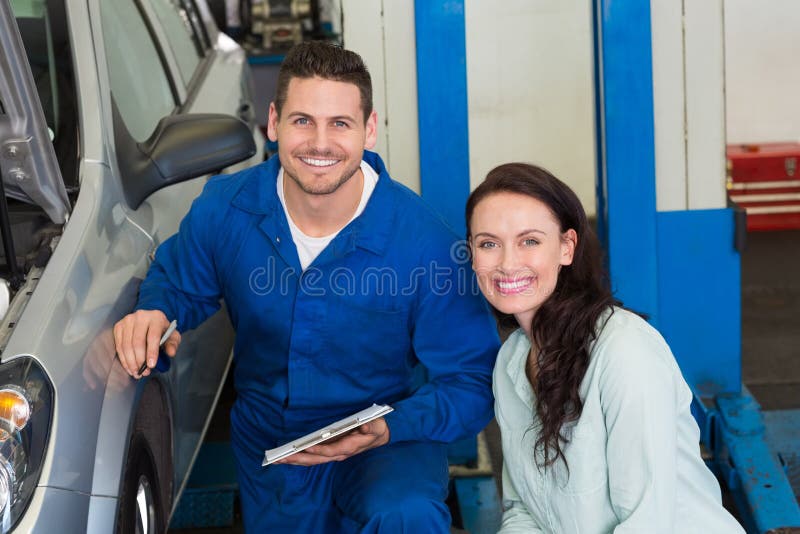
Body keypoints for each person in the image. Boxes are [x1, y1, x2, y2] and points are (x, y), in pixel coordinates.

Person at [113, 41, 500, 532]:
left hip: (385, 441)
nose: (320, 143)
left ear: (370, 129)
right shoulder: (226, 210)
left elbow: (471, 381)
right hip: (275, 447)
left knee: (404, 515)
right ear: (273, 123)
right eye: (302, 121)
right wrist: (155, 313)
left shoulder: (426, 245)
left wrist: (389, 427)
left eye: (340, 123)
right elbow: (178, 281)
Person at [465, 163, 744, 533]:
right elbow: (525, 511)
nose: (507, 263)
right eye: (488, 244)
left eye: (529, 241)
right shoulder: (512, 362)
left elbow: (648, 524)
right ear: (472, 253)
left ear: (567, 247)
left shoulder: (625, 353)